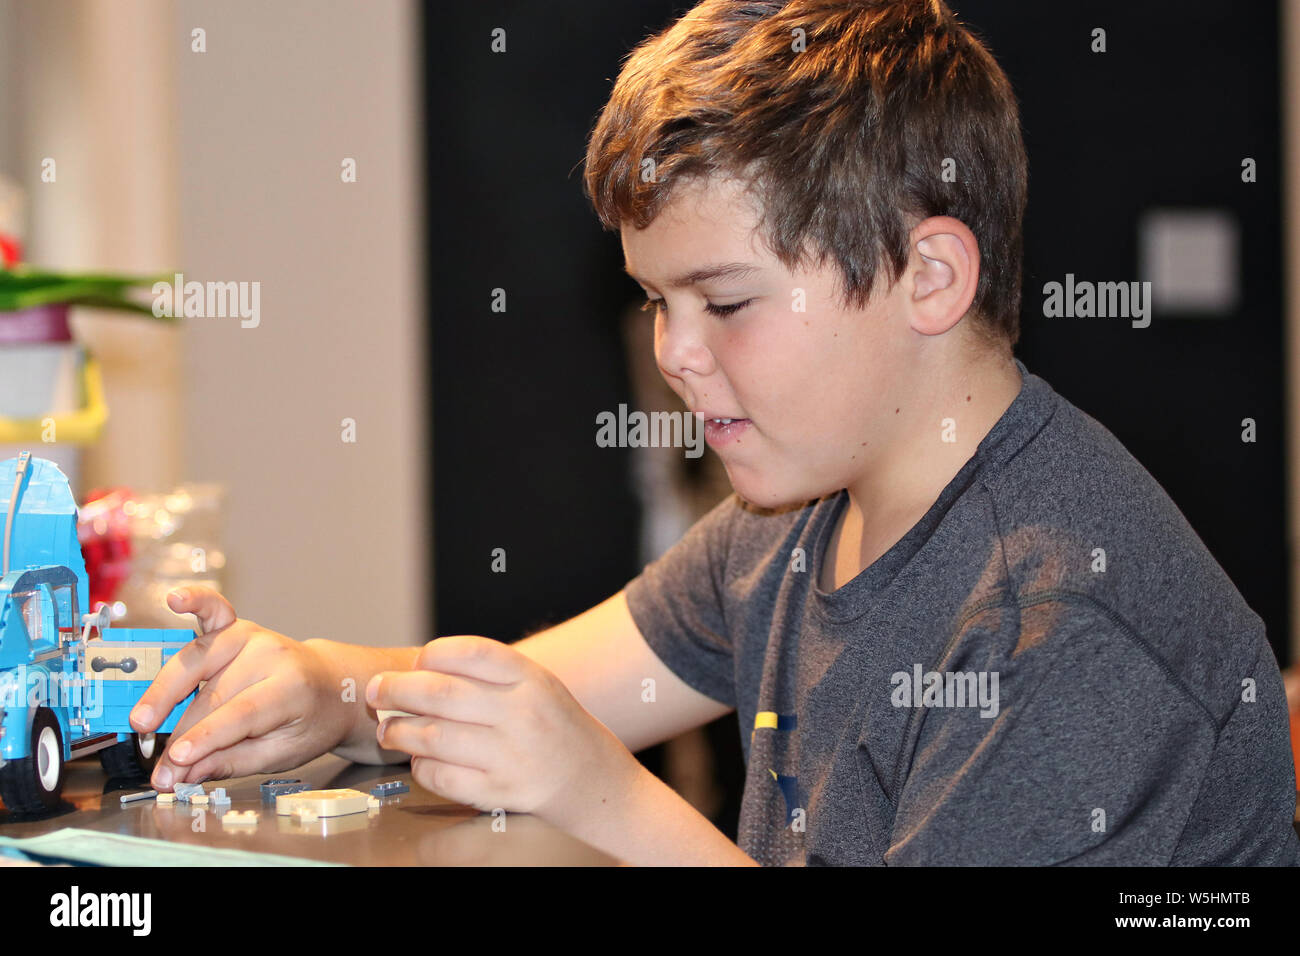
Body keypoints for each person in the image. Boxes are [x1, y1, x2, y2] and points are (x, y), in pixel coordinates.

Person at [131, 0, 1300, 865]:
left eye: (725, 302)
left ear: (929, 275)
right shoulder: (791, 521)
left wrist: (610, 797)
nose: (675, 354)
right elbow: (542, 687)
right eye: (656, 302)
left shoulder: (1056, 627)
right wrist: (331, 690)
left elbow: (578, 756)